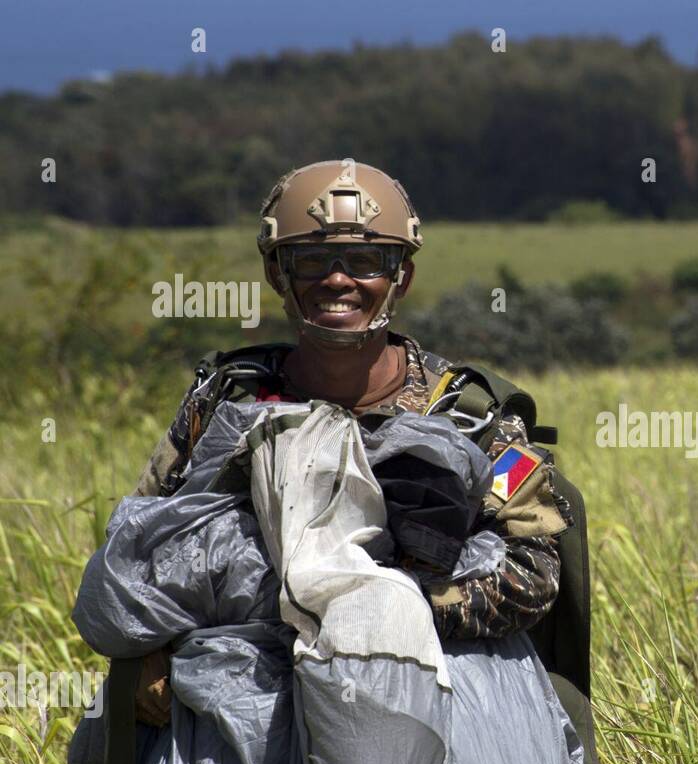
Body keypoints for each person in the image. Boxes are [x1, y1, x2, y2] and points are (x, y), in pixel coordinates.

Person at [129, 159, 570, 725]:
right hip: (238, 701)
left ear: (400, 278)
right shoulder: (227, 402)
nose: (338, 280)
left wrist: (381, 608)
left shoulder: (468, 417)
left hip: (432, 704)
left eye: (365, 262)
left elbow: (532, 574)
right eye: (312, 260)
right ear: (275, 272)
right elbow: (141, 540)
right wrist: (150, 649)